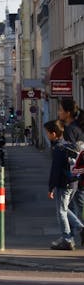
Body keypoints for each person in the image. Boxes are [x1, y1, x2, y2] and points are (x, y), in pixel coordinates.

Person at [44, 119, 83, 251]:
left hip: (64, 184)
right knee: (66, 209)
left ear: (54, 134)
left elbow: (55, 170)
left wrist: (51, 187)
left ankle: (67, 239)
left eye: (47, 133)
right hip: (74, 183)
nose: (47, 135)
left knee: (61, 211)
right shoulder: (68, 145)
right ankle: (78, 228)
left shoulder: (59, 149)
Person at [57, 98, 84, 234]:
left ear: (67, 113)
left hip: (74, 175)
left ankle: (73, 234)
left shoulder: (69, 130)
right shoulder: (77, 128)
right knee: (75, 205)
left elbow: (72, 153)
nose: (58, 112)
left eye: (60, 110)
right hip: (79, 173)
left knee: (67, 207)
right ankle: (72, 234)